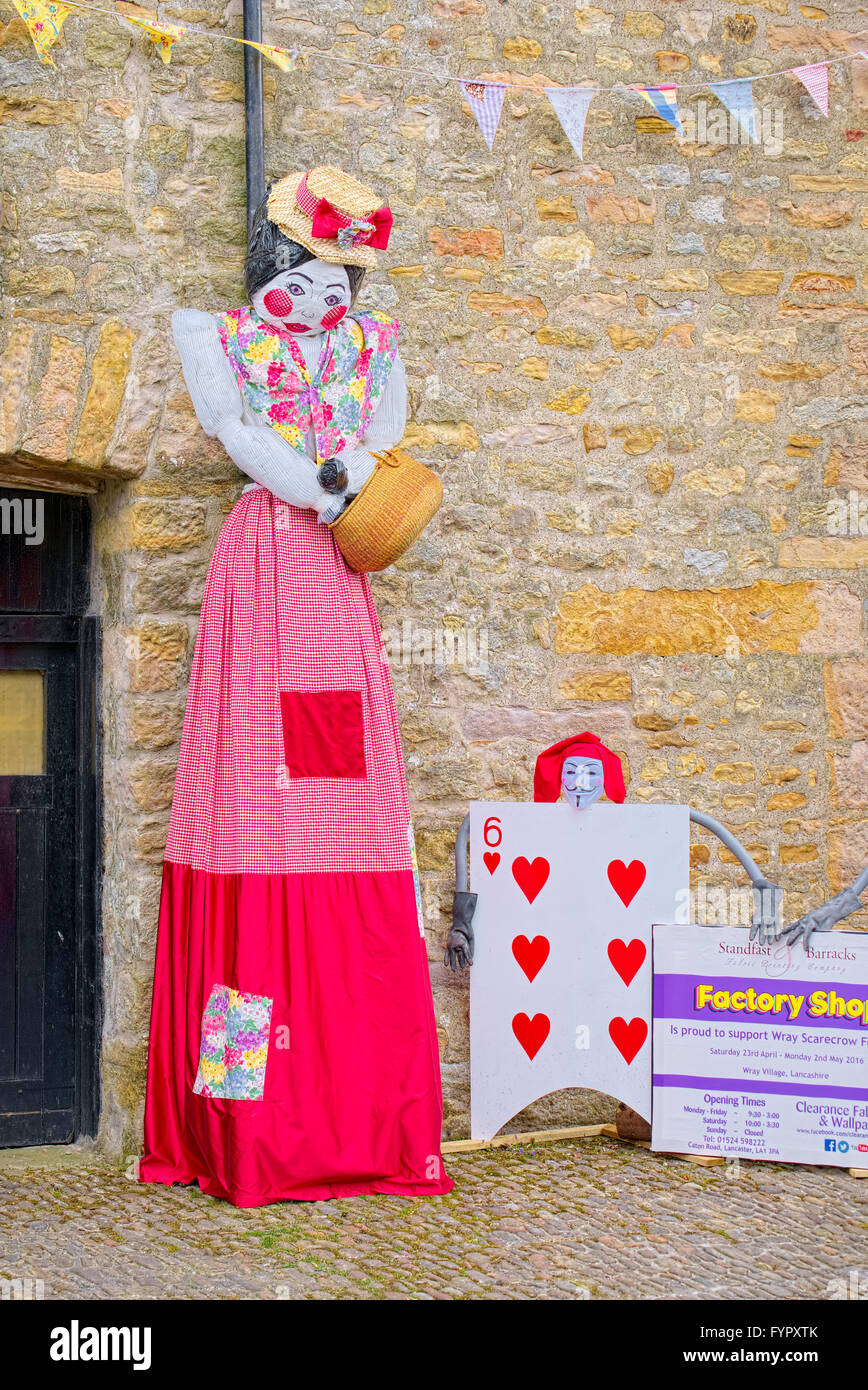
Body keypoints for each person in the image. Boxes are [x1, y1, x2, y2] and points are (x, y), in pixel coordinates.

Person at [139, 165, 453, 1207]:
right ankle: (243, 1108)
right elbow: (238, 431)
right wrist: (308, 483)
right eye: (303, 280)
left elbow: (383, 432)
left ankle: (360, 1106)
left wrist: (354, 477)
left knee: (337, 773)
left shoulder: (368, 349)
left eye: (337, 284)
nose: (322, 303)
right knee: (253, 793)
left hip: (335, 563)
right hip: (275, 549)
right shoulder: (227, 343)